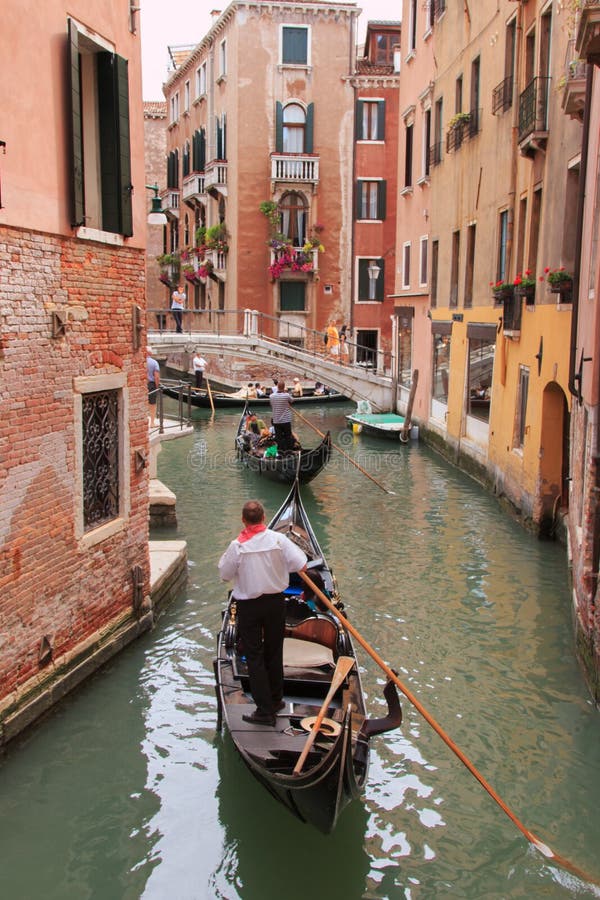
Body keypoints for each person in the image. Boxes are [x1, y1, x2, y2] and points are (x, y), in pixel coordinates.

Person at [218, 500, 307, 725]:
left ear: (243, 520)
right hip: (276, 603)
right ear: (264, 517)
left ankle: (265, 711)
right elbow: (301, 564)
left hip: (250, 607)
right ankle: (276, 700)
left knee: (254, 656)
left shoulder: (237, 546)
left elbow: (224, 575)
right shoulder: (279, 540)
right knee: (274, 651)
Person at [269, 380, 294, 452]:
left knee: (279, 437)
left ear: (277, 387)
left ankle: (280, 452)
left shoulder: (271, 396)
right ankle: (289, 451)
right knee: (288, 436)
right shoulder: (286, 395)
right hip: (286, 420)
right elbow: (292, 401)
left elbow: (271, 405)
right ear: (284, 387)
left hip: (276, 420)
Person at [146, 347, 160, 428]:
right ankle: (152, 423)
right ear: (150, 353)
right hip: (151, 385)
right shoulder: (154, 363)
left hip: (142, 384)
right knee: (152, 404)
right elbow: (157, 377)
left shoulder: (140, 361)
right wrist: (157, 387)